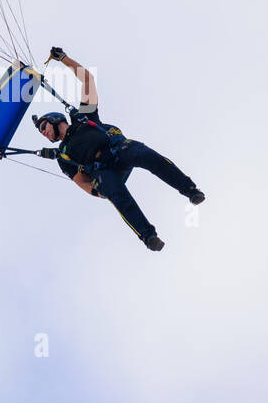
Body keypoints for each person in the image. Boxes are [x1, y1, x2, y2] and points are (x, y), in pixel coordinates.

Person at [33, 47, 204, 251]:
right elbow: (82, 182)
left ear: (54, 119)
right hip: (102, 171)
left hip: (116, 149)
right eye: (40, 132)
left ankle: (190, 190)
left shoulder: (82, 118)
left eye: (43, 127)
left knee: (146, 156)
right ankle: (148, 236)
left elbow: (88, 80)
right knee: (117, 194)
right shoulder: (62, 155)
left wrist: (64, 59)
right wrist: (99, 192)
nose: (43, 132)